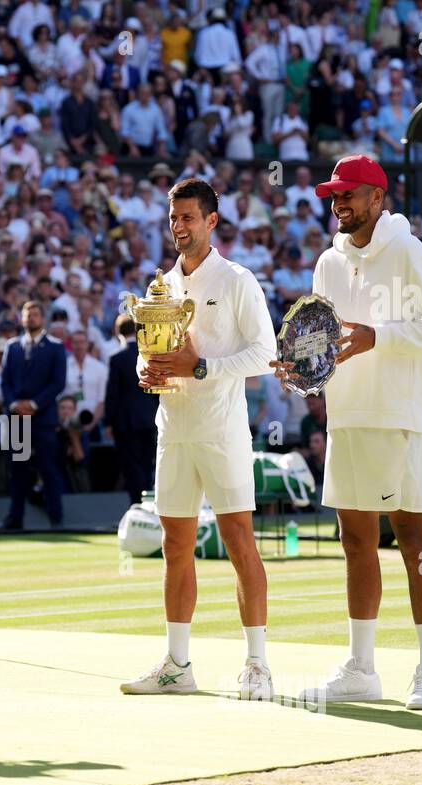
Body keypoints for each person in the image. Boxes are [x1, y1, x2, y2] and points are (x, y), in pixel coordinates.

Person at [273, 155, 422, 710]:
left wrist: (378, 336)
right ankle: (361, 668)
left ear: (378, 198)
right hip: (349, 413)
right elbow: (323, 339)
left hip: (401, 414)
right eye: (334, 194)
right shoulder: (327, 263)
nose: (339, 203)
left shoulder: (409, 251)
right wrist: (297, 366)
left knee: (414, 541)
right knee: (354, 541)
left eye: (350, 194)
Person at [120, 178, 276, 700]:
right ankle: (177, 665)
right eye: (173, 219)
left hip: (222, 431)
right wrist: (148, 369)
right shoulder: (162, 286)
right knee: (175, 547)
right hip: (173, 429)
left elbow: (265, 355)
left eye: (188, 217)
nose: (179, 227)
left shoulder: (237, 280)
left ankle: (258, 665)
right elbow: (152, 351)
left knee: (239, 543)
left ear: (212, 221)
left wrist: (201, 365)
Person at [0, 301, 66, 529]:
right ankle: (14, 517)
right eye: (27, 314)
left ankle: (56, 517)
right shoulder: (12, 347)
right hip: (18, 419)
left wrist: (34, 404)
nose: (31, 318)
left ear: (42, 318)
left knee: (48, 468)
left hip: (44, 419)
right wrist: (14, 404)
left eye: (35, 314)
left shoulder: (55, 347)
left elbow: (58, 383)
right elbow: (5, 382)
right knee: (18, 470)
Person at [104, 316, 159, 506]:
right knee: (148, 464)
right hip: (150, 419)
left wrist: (108, 422)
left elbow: (113, 394)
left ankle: (138, 506)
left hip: (126, 423)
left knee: (132, 467)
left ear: (118, 332)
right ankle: (150, 505)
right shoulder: (150, 355)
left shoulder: (116, 359)